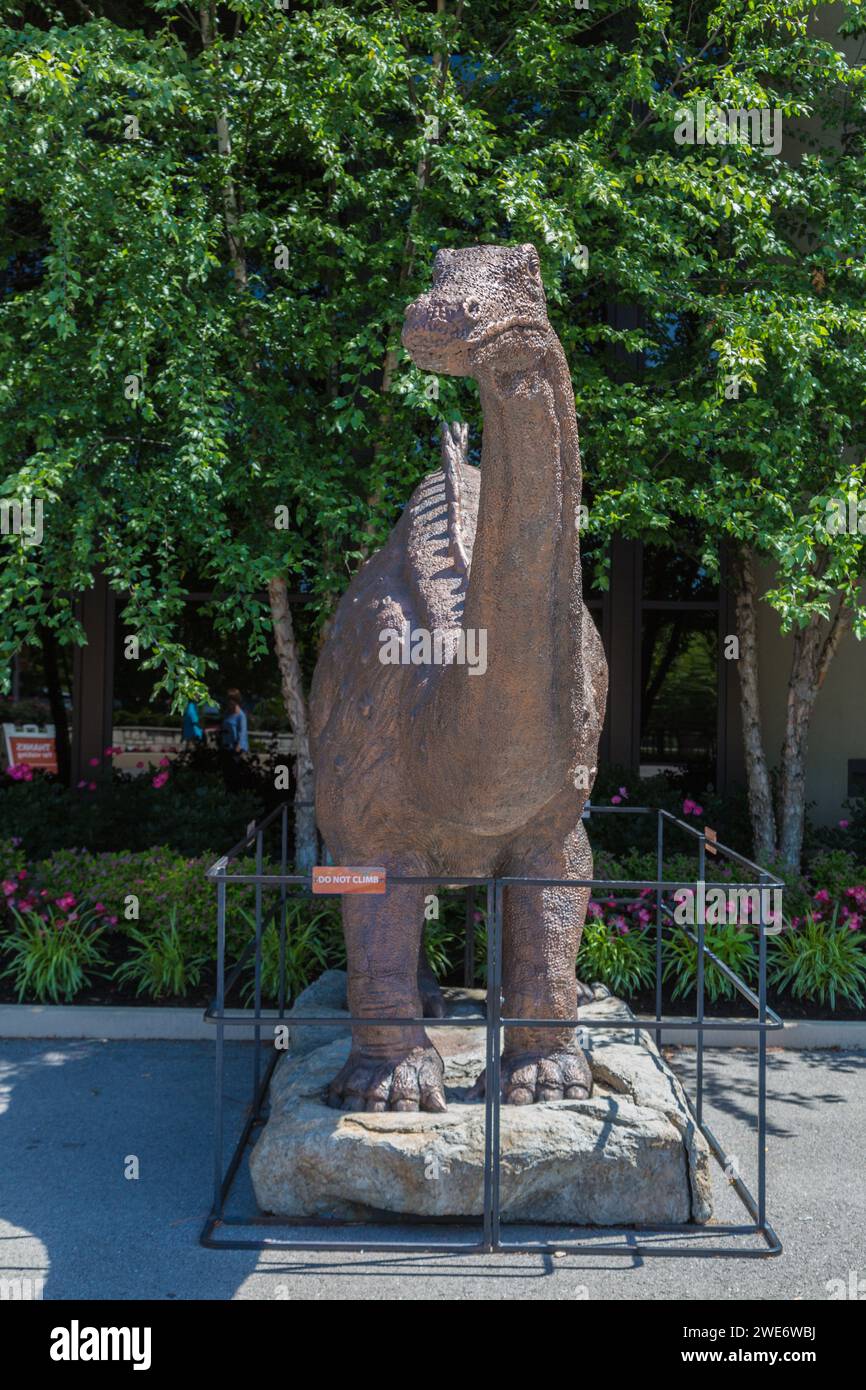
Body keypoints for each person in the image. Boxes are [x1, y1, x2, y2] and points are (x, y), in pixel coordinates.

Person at [221, 689, 249, 753]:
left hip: (237, 749)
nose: (229, 701)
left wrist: (238, 747)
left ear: (237, 700)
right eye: (228, 699)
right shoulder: (227, 713)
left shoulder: (241, 716)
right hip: (226, 747)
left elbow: (243, 733)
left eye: (232, 699)